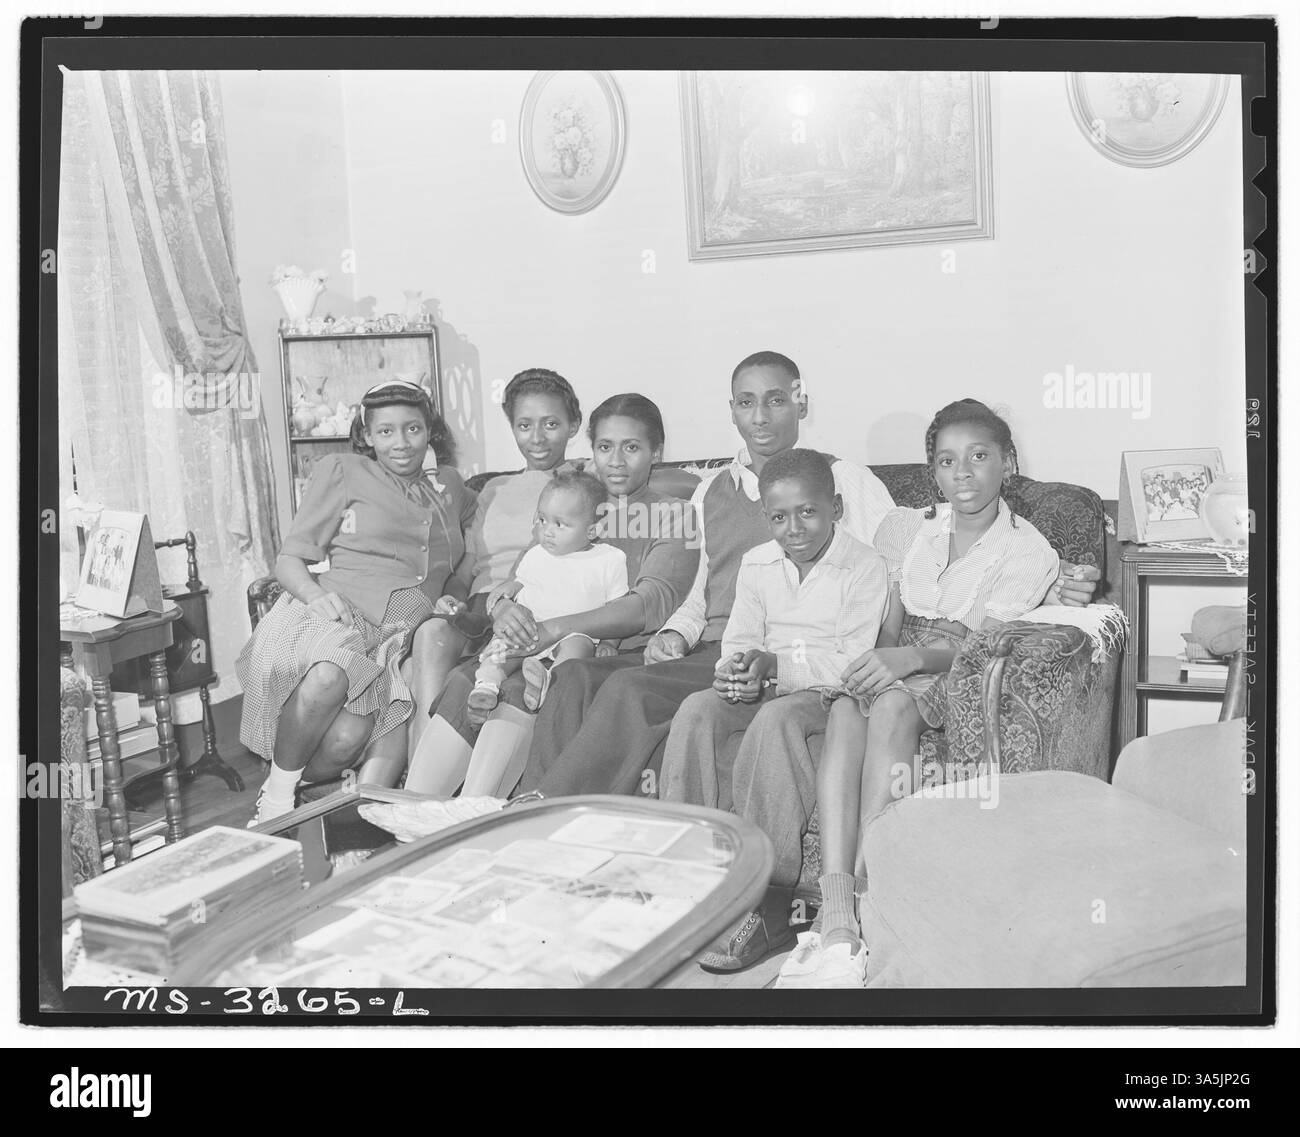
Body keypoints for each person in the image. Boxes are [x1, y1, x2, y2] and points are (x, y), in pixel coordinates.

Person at [513, 351, 897, 800]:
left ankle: (547, 807)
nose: (760, 417)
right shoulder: (710, 491)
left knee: (629, 689)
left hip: (772, 651)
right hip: (709, 645)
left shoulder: (840, 479)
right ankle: (544, 807)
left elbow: (891, 570)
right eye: (746, 402)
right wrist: (675, 631)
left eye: (775, 401)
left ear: (801, 405)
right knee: (576, 674)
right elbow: (699, 589)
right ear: (731, 411)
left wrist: (888, 652)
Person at [778, 398, 1060, 988]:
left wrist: (907, 661)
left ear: (1007, 462)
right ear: (932, 470)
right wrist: (873, 663)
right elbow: (893, 621)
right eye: (947, 461)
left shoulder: (1027, 549)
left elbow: (982, 647)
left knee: (893, 701)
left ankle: (864, 896)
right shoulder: (913, 529)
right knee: (848, 710)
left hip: (958, 669)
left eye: (979, 457)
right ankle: (836, 912)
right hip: (904, 653)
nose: (963, 474)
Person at [659, 450, 892, 969]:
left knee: (777, 719)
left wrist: (776, 668)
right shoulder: (757, 563)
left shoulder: (864, 566)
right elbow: (740, 639)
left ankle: (766, 898)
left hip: (829, 695)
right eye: (779, 517)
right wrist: (737, 670)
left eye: (808, 512)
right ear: (766, 516)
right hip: (767, 681)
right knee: (699, 709)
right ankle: (689, 876)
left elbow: (851, 660)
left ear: (836, 507)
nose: (794, 529)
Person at [405, 393, 700, 799]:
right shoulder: (574, 502)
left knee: (521, 689)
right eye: (604, 447)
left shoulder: (674, 514)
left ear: (656, 452)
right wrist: (504, 607)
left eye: (631, 447)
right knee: (464, 677)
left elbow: (649, 604)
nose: (615, 460)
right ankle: (415, 808)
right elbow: (524, 574)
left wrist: (554, 629)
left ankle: (474, 811)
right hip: (538, 638)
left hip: (610, 653)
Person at [236, 379, 476, 824]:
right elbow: (289, 559)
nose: (400, 443)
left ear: (431, 432)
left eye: (413, 429)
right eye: (385, 432)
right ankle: (275, 805)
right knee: (329, 676)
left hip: (400, 635)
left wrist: (454, 596)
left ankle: (304, 788)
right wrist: (315, 593)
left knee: (347, 738)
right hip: (341, 612)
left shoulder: (450, 486)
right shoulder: (343, 471)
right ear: (366, 435)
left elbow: (470, 551)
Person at [468, 469, 628, 721]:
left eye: (559, 524)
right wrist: (505, 591)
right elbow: (519, 583)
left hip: (575, 632)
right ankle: (486, 686)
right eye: (542, 520)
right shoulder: (536, 554)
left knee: (578, 649)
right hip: (529, 628)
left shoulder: (609, 559)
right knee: (501, 648)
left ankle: (547, 684)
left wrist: (609, 643)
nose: (547, 531)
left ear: (592, 530)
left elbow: (617, 609)